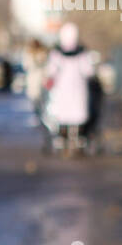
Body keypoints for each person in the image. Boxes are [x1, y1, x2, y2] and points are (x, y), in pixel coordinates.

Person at [45, 23, 95, 154]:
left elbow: (51, 71)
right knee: (75, 115)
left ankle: (64, 136)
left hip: (64, 91)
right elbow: (89, 71)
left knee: (65, 115)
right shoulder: (82, 54)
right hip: (76, 90)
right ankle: (75, 136)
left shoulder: (56, 54)